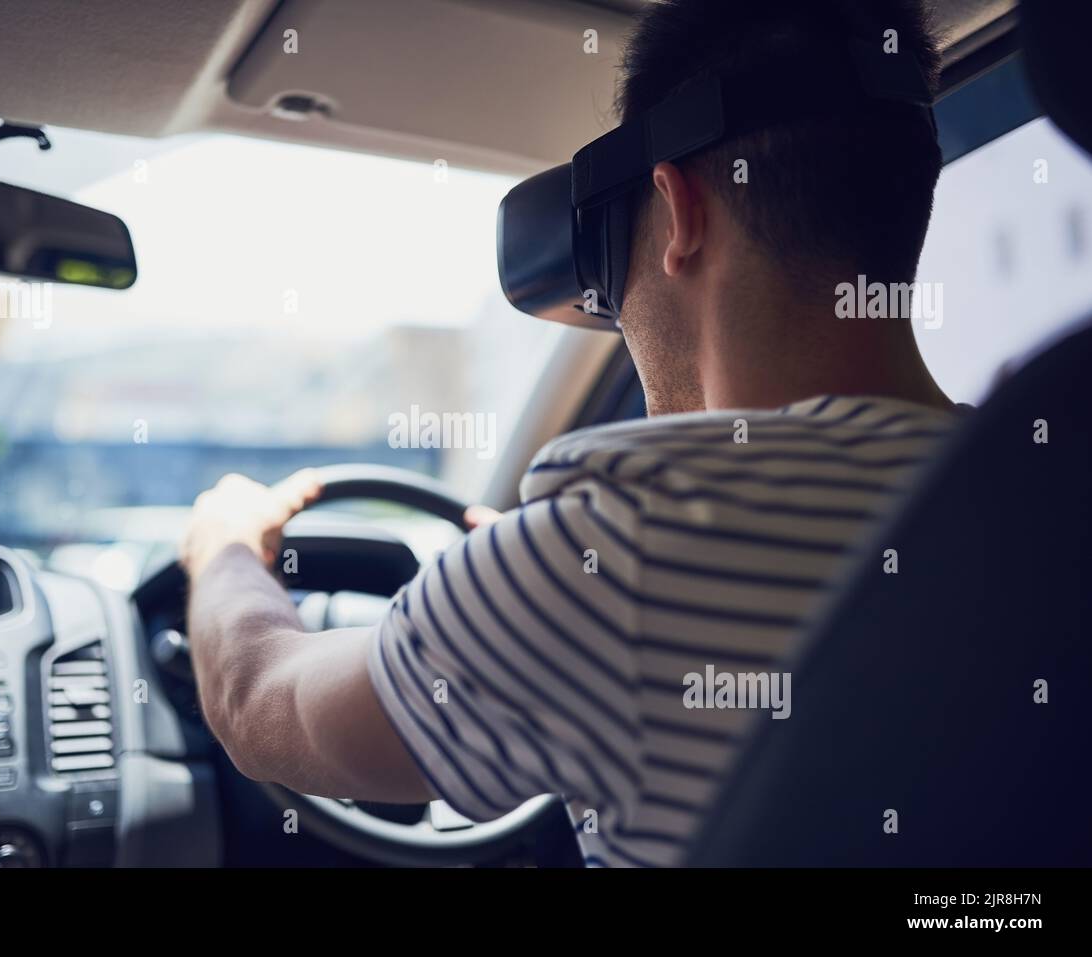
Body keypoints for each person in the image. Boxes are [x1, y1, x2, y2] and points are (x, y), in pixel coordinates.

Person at [180, 0, 960, 867]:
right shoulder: (1047, 487)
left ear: (680, 209)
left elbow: (259, 706)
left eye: (610, 266)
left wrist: (225, 553)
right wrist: (518, 579)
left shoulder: (624, 547)